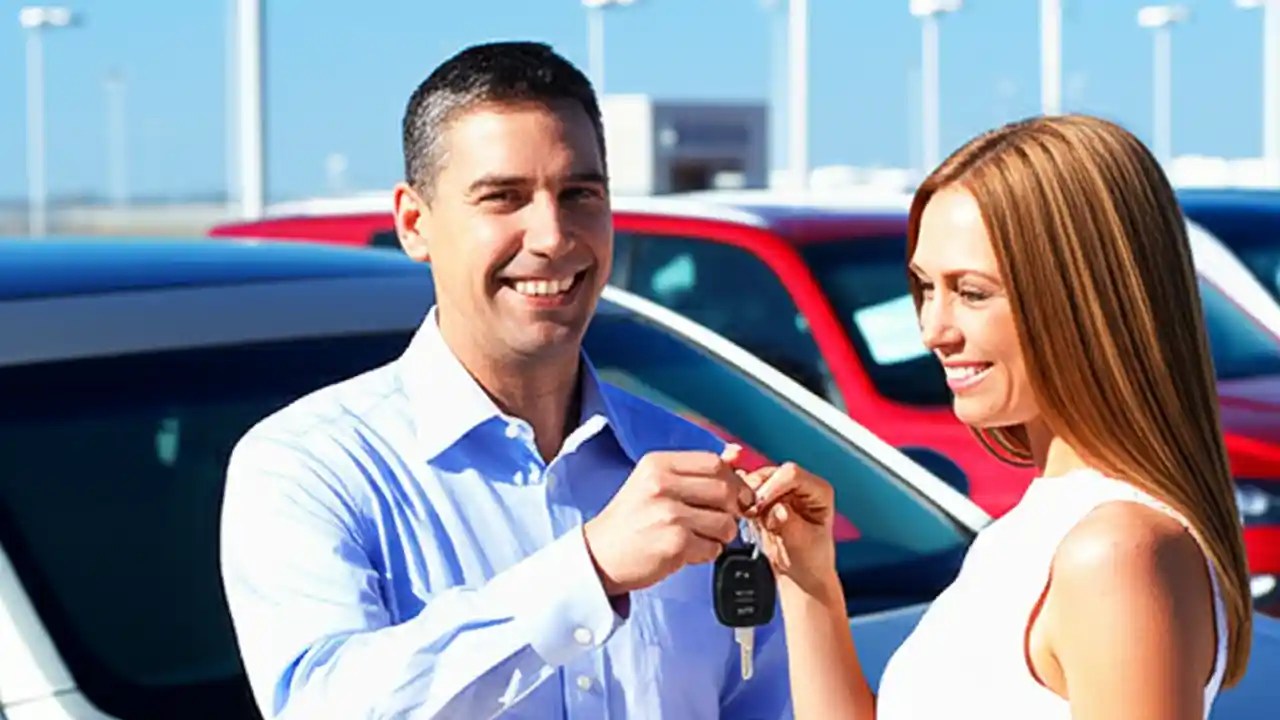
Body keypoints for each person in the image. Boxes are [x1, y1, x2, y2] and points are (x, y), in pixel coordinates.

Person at [218, 41, 796, 719]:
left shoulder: (684, 463)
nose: (551, 235)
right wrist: (588, 571)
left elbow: (764, 704)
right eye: (504, 198)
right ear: (413, 223)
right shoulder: (309, 467)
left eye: (579, 193)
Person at [743, 114, 1254, 719]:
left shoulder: (1117, 552)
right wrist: (811, 582)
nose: (932, 329)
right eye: (925, 287)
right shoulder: (1037, 529)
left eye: (973, 292)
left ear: (1083, 298)